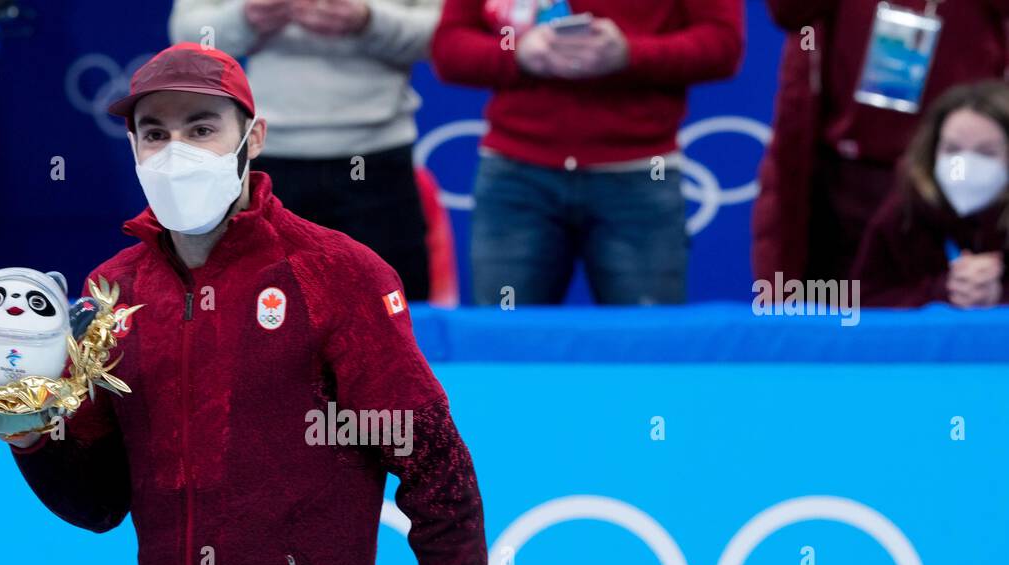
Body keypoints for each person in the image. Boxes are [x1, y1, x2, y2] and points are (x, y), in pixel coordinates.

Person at [0, 43, 496, 565]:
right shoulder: (110, 296)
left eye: (201, 127)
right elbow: (99, 502)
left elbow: (437, 465)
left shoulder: (332, 274)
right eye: (153, 134)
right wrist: (28, 435)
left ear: (252, 136)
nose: (175, 152)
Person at [430, 0, 744, 306]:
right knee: (503, 343)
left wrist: (630, 54)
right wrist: (516, 53)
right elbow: (448, 48)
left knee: (648, 347)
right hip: (516, 176)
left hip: (639, 174)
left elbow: (723, 44)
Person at [168, 0, 442, 301]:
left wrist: (368, 19)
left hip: (377, 158)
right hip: (271, 157)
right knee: (258, 313)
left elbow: (442, 36)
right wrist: (246, 17)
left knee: (398, 310)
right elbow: (187, 37)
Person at [753, 0, 1009, 285]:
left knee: (962, 297)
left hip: (959, 169)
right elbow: (789, 12)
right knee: (840, 311)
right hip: (847, 175)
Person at [852, 81, 1009, 308]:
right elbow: (861, 300)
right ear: (933, 150)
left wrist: (999, 295)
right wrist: (943, 290)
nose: (964, 167)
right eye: (952, 149)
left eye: (986, 152)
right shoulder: (903, 212)